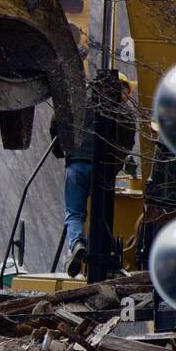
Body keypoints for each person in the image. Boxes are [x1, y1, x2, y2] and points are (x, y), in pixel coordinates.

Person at [59, 73, 138, 277]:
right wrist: (114, 167)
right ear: (123, 90)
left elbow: (58, 118)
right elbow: (126, 144)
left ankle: (77, 243)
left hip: (77, 164)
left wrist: (61, 148)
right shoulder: (126, 112)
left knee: (75, 212)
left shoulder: (80, 100)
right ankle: (104, 252)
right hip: (103, 169)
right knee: (101, 214)